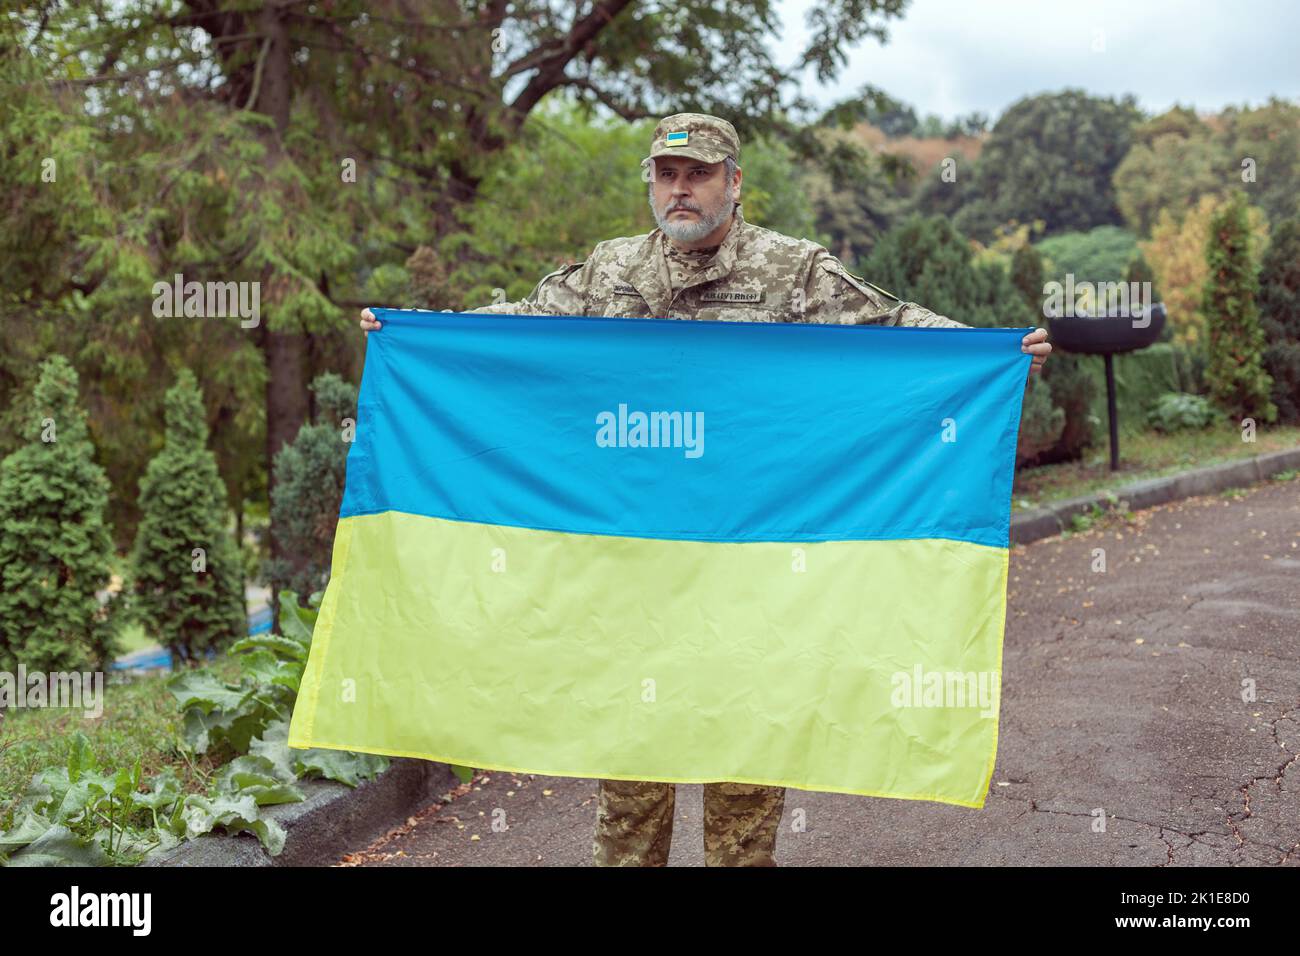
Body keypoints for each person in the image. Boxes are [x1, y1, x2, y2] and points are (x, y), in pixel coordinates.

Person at [360, 113, 1052, 867]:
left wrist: (994, 354)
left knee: (742, 811)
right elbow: (511, 330)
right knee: (627, 812)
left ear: (735, 183)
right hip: (633, 575)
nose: (681, 190)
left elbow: (892, 327)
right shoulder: (610, 272)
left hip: (747, 577)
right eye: (667, 175)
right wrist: (412, 334)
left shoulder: (793, 272)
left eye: (699, 175)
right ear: (651, 184)